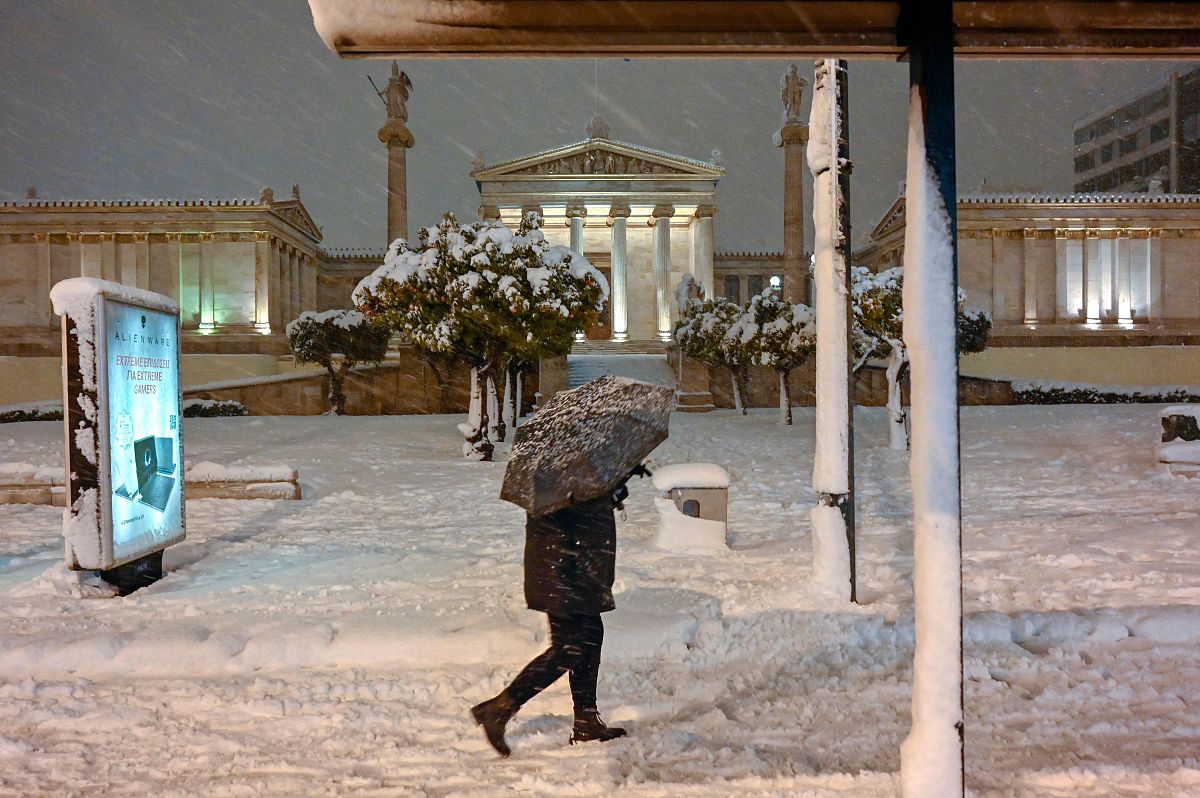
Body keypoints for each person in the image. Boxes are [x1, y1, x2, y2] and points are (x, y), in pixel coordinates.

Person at [470, 466, 650, 757]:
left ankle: (587, 721)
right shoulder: (558, 470)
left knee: (591, 636)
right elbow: (572, 512)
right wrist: (606, 489)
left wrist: (615, 483)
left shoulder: (572, 468)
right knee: (571, 647)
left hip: (573, 570)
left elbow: (583, 504)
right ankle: (499, 708)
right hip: (563, 572)